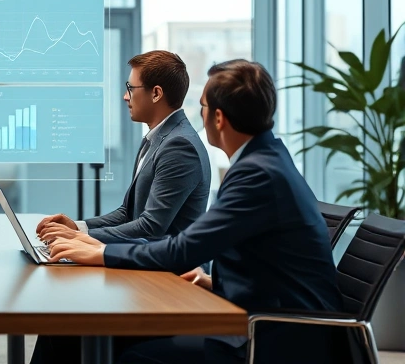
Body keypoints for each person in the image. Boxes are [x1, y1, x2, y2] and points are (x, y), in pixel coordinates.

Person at [43, 60, 345, 364]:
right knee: (72, 332)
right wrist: (213, 282)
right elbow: (270, 266)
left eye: (202, 107)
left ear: (218, 117)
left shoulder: (258, 175)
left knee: (129, 353)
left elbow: (183, 248)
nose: (197, 116)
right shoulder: (267, 160)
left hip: (278, 338)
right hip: (263, 317)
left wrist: (101, 252)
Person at [36, 51, 210, 244]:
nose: (125, 96)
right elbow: (128, 213)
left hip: (173, 273)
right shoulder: (157, 139)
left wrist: (79, 238)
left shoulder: (179, 146)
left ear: (156, 93)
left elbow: (151, 227)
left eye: (131, 88)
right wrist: (77, 227)